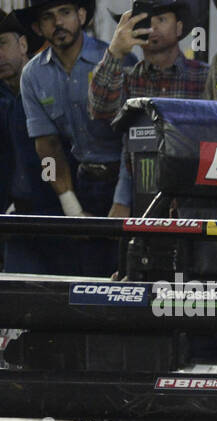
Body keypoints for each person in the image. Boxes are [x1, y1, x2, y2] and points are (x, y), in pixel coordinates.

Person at [18, 0, 131, 275]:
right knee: (88, 276)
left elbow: (134, 136)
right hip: (84, 182)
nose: (58, 23)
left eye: (65, 12)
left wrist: (123, 200)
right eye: (48, 17)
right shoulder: (33, 75)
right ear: (38, 27)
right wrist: (71, 208)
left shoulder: (116, 58)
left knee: (131, 274)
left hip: (128, 176)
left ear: (81, 15)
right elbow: (47, 150)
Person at [90, 1, 208, 218]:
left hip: (196, 195)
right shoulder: (127, 79)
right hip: (141, 192)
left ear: (179, 28)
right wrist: (115, 51)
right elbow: (100, 110)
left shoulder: (205, 77)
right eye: (145, 21)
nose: (152, 28)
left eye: (161, 19)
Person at [0, 11, 61, 274]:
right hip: (17, 215)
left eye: (2, 43)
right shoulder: (7, 99)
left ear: (23, 44)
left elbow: (54, 150)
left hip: (57, 210)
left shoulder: (48, 82)